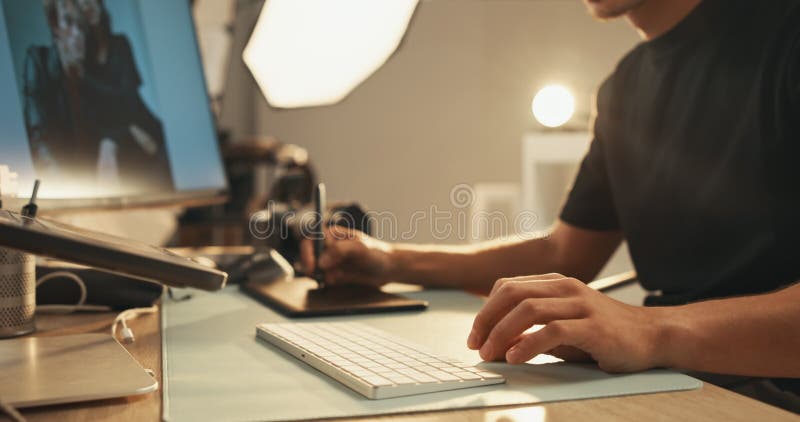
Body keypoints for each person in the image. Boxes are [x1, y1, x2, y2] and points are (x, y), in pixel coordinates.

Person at [302, 0, 800, 412]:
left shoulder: (786, 31)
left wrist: (651, 329)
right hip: (673, 377)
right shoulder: (624, 89)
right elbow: (563, 253)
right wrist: (391, 260)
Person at [23, 0, 173, 195]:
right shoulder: (39, 61)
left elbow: (120, 109)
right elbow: (39, 139)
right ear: (55, 27)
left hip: (136, 126)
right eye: (68, 22)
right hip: (68, 188)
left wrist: (111, 142)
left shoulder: (105, 55)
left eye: (81, 25)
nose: (77, 33)